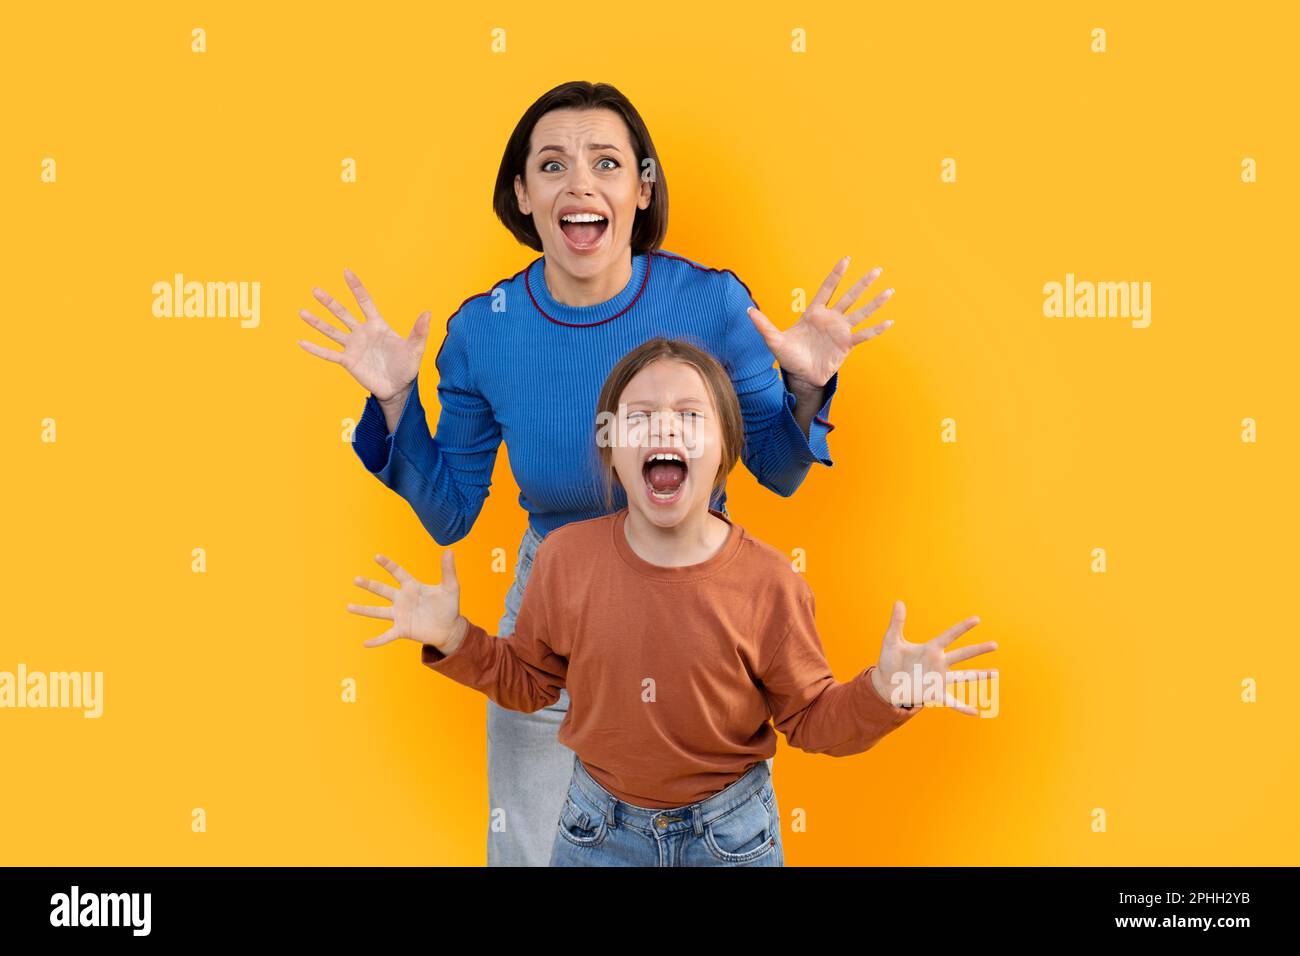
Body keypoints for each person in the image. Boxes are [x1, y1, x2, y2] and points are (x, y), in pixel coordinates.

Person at [301, 80, 896, 866]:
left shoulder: (713, 304)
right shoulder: (485, 332)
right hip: (554, 604)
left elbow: (782, 472)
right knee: (534, 847)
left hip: (694, 599)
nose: (580, 183)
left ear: (641, 189)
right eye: (552, 166)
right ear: (523, 193)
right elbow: (451, 514)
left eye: (606, 163)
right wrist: (397, 402)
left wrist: (809, 387)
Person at [347, 338, 996, 866]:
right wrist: (457, 637)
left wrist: (887, 691)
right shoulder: (566, 561)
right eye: (640, 416)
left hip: (731, 838)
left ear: (724, 449)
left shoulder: (770, 583)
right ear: (612, 450)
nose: (666, 426)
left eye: (690, 415)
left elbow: (814, 720)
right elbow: (531, 684)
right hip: (596, 832)